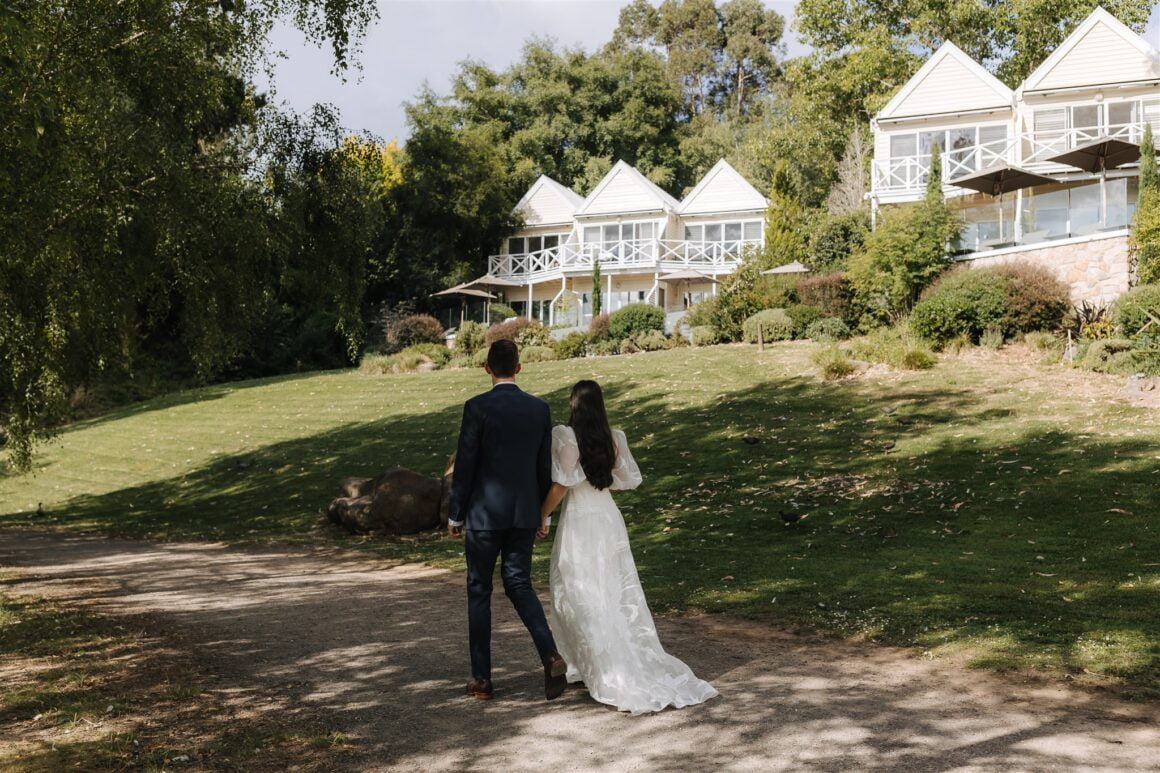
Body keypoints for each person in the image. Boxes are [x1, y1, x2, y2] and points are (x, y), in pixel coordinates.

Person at [539, 380, 719, 715]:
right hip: (607, 516)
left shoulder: (565, 436)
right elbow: (623, 481)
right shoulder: (613, 438)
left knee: (579, 591)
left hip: (580, 519)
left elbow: (562, 484)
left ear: (574, 404)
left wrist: (541, 514)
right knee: (609, 590)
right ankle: (595, 662)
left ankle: (602, 667)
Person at [447, 339, 568, 702]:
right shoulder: (539, 409)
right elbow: (542, 467)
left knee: (479, 590)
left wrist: (456, 513)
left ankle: (482, 680)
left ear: (487, 368)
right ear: (519, 367)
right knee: (519, 584)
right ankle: (549, 654)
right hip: (522, 514)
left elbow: (465, 464)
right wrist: (542, 513)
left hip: (483, 515)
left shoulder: (476, 407)